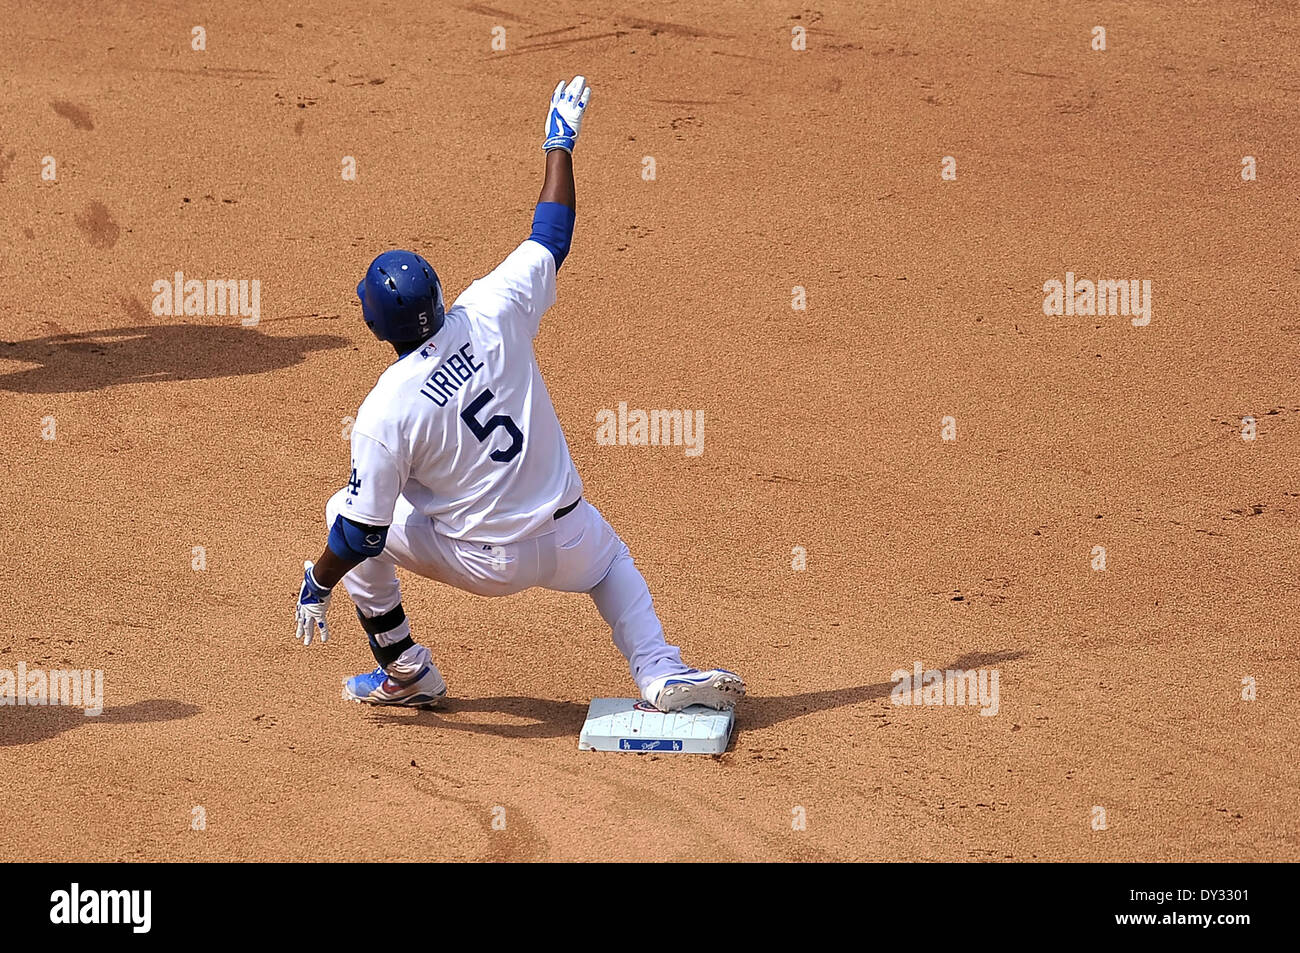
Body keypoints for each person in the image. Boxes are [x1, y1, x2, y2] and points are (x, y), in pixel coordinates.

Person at [293, 76, 745, 715]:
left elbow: (364, 536)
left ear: (372, 323)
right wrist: (559, 142)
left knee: (346, 507)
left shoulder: (384, 410)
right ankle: (659, 670)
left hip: (486, 562)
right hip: (567, 537)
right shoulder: (490, 309)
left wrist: (317, 582)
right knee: (612, 564)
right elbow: (552, 233)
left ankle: (405, 671)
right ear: (439, 296)